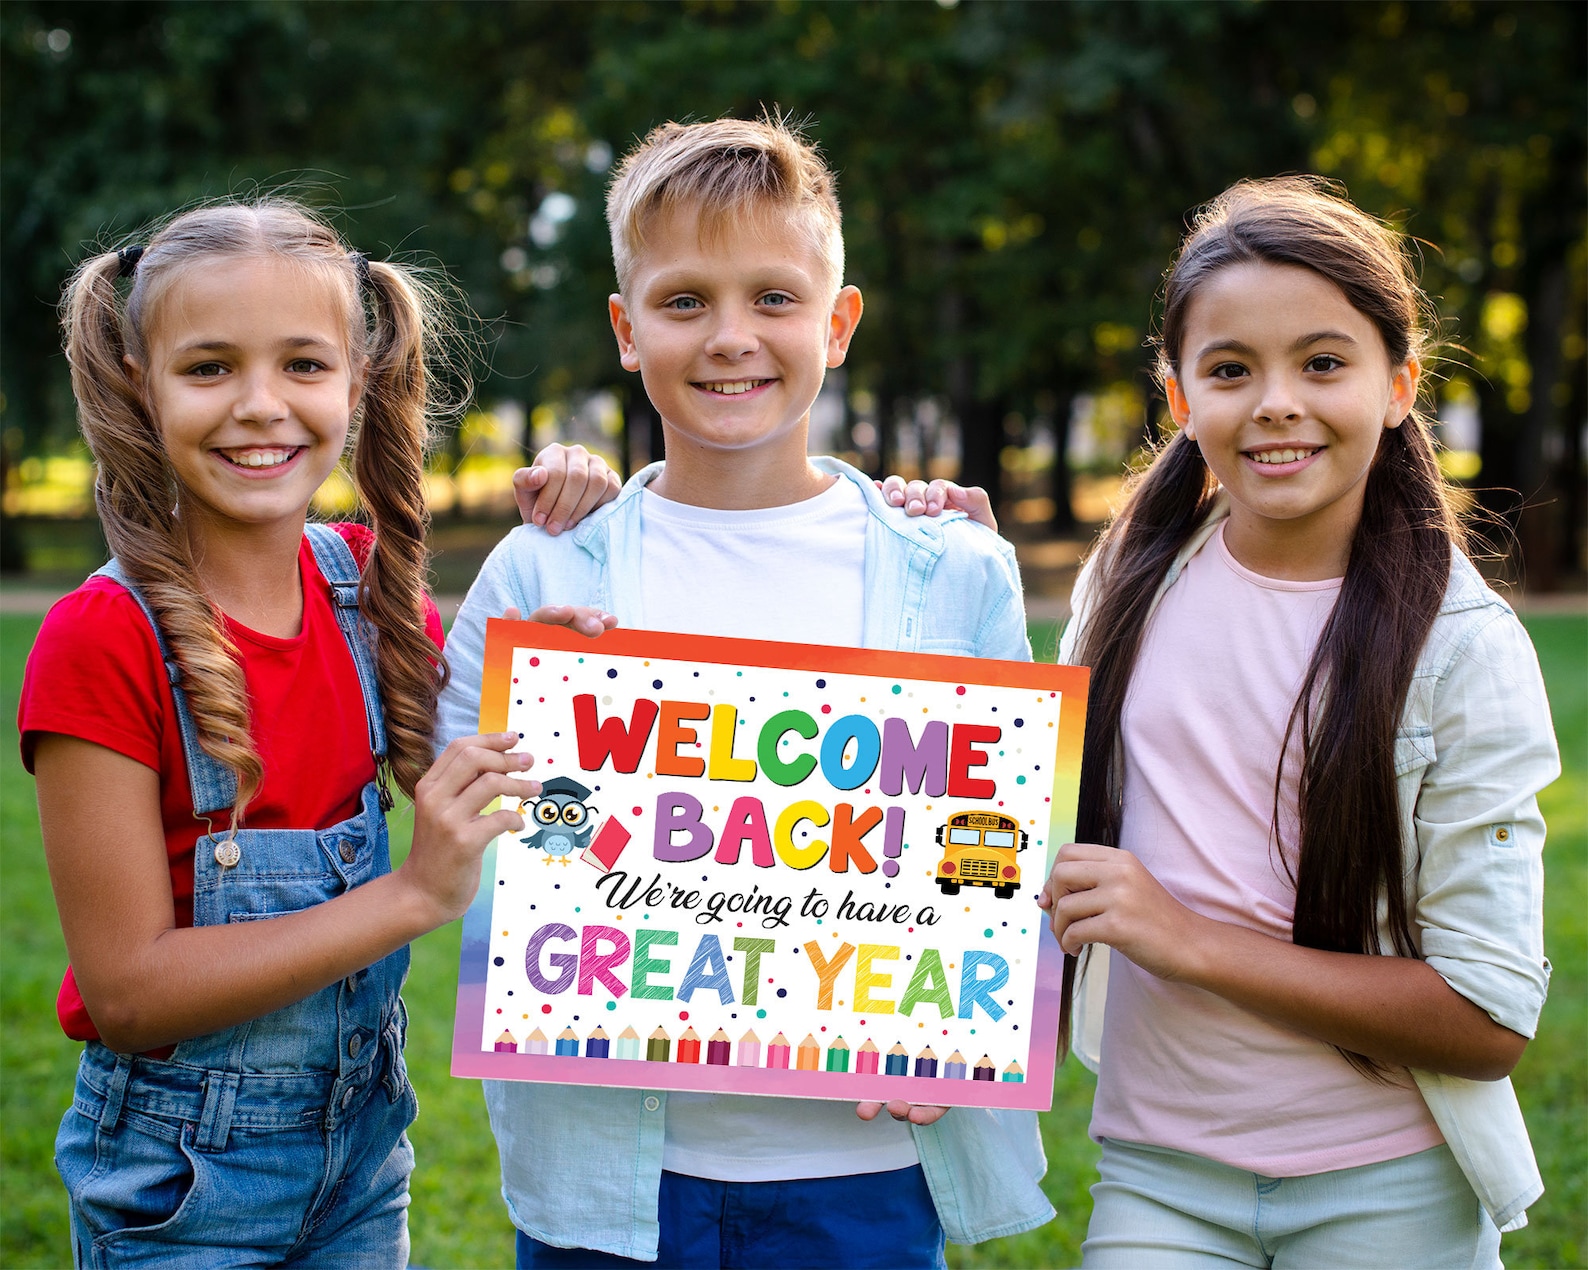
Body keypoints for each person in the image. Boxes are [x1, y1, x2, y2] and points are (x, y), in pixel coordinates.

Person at [438, 116, 1054, 1268]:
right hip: (609, 1177)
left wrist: (954, 1026)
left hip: (861, 1171)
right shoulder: (548, 569)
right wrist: (538, 719)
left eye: (774, 298)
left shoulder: (951, 570)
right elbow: (456, 822)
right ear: (627, 331)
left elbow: (995, 835)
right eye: (683, 303)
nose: (731, 338)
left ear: (839, 321)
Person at [19, 200, 613, 1267]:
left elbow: (553, 770)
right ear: (138, 385)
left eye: (302, 364)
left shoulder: (371, 601)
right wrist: (410, 896)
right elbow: (127, 988)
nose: (260, 407)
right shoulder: (101, 640)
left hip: (363, 1162)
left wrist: (593, 541)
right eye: (208, 368)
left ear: (357, 381)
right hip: (181, 1191)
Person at [1034, 177, 1559, 1267]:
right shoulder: (1122, 592)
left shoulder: (1461, 649)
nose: (1275, 402)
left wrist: (1184, 939)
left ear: (1400, 383)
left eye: (1322, 363)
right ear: (1178, 395)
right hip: (1157, 1173)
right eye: (1230, 369)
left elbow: (1488, 1020)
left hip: (1390, 1183)